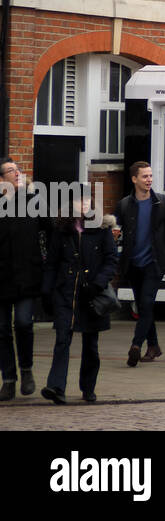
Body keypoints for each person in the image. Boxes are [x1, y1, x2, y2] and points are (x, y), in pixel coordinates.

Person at [42, 195, 118, 404]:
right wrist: (47, 291)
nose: (84, 205)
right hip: (66, 292)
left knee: (90, 344)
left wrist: (98, 283)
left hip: (91, 293)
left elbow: (111, 261)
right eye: (79, 201)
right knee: (62, 339)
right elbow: (52, 262)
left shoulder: (101, 229)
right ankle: (57, 387)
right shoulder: (62, 230)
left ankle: (88, 387)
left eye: (87, 201)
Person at [116, 161, 165, 367]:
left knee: (145, 303)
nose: (149, 180)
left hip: (154, 263)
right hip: (133, 263)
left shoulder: (163, 203)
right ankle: (153, 345)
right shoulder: (125, 205)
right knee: (144, 306)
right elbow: (116, 230)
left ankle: (136, 345)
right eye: (145, 176)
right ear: (134, 179)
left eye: (151, 176)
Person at [0, 158, 42, 400]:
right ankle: (8, 379)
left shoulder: (33, 200)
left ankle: (26, 369)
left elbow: (52, 228)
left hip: (28, 276)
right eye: (10, 171)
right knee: (2, 329)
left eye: (17, 170)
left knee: (24, 323)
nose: (17, 174)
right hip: (2, 277)